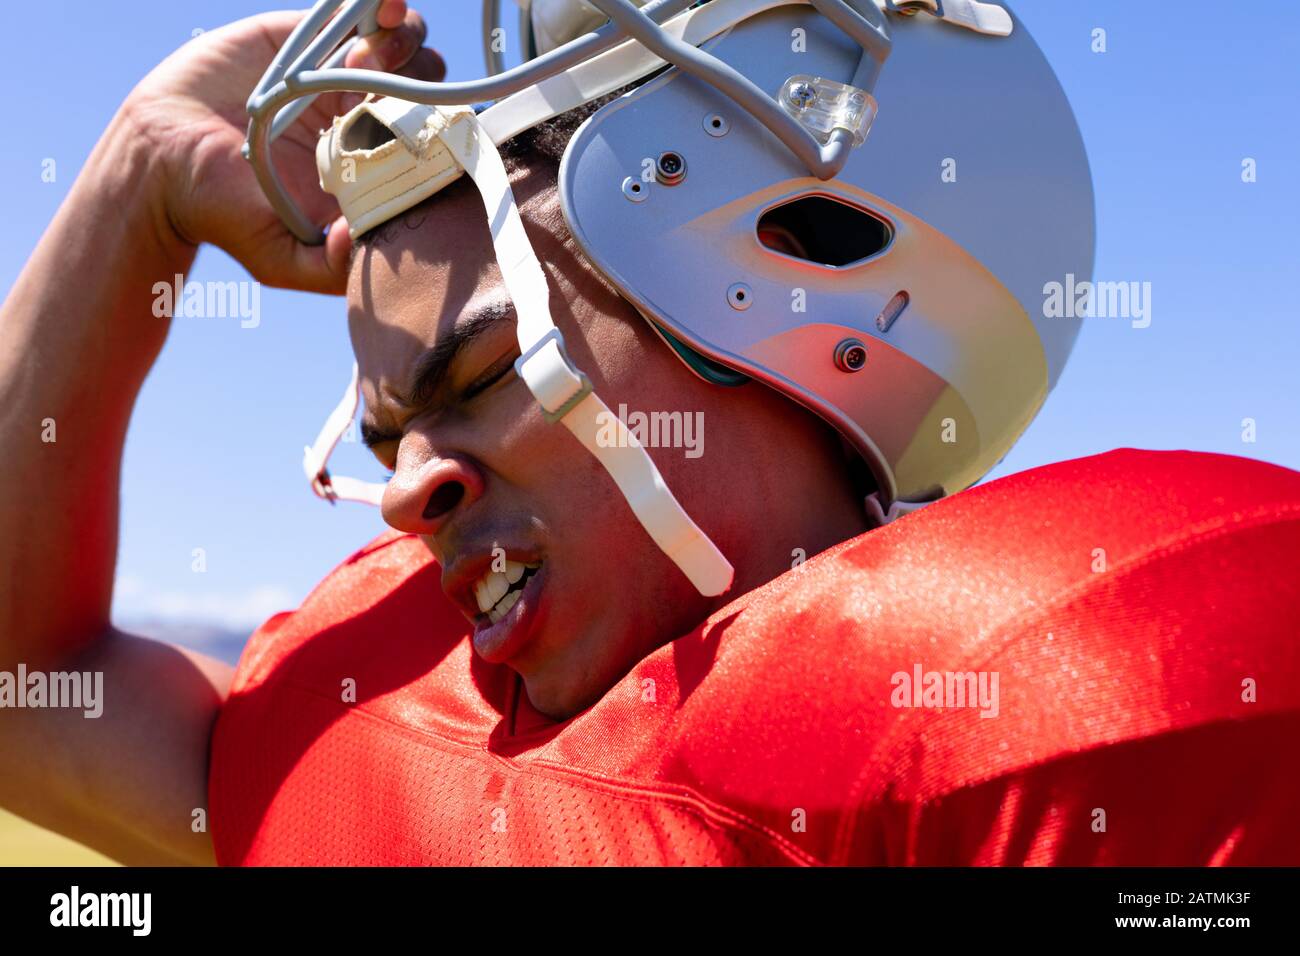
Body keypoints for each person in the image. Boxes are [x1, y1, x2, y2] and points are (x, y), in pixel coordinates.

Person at [3, 0, 1298, 866]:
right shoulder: (387, 707)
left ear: (773, 299)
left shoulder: (1046, 683)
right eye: (388, 433)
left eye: (481, 373)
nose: (403, 497)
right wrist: (135, 186)